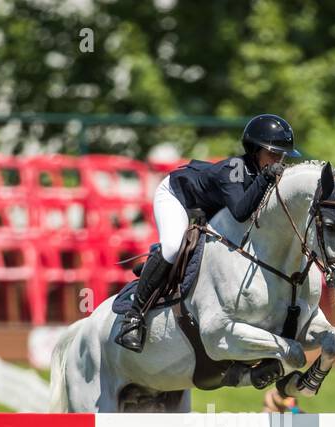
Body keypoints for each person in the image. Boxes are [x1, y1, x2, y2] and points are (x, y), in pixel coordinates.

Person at [115, 113, 300, 352]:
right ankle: (134, 316)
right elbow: (241, 212)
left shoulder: (262, 174)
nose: (279, 160)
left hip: (208, 207)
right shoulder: (233, 170)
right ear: (255, 150)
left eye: (282, 155)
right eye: (273, 153)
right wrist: (266, 177)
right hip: (177, 196)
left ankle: (161, 268)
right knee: (172, 247)